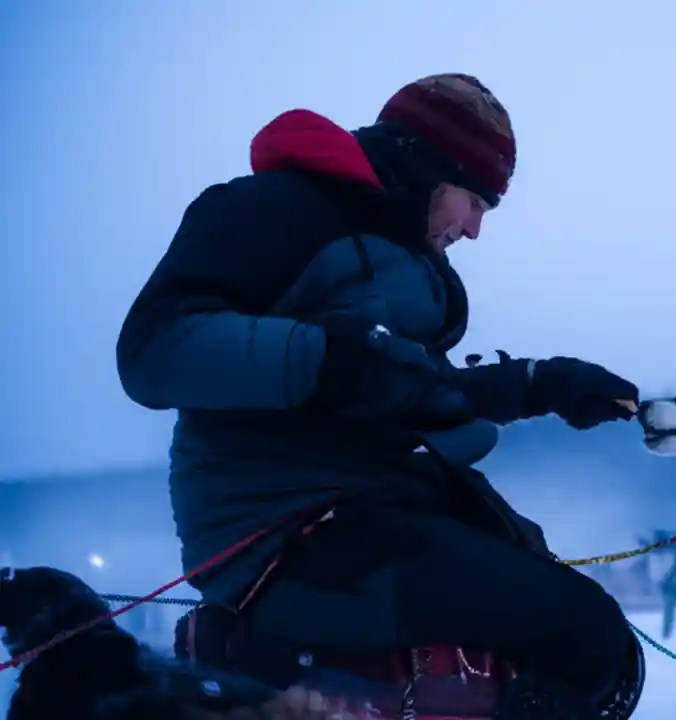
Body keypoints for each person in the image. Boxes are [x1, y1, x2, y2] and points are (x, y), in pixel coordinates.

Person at [115, 73, 643, 717]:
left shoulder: (395, 265)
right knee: (580, 633)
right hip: (282, 533)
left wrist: (543, 383)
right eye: (475, 201)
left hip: (375, 512)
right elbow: (152, 350)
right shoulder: (276, 209)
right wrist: (326, 361)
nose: (474, 230)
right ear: (430, 171)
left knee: (597, 644)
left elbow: (412, 386)